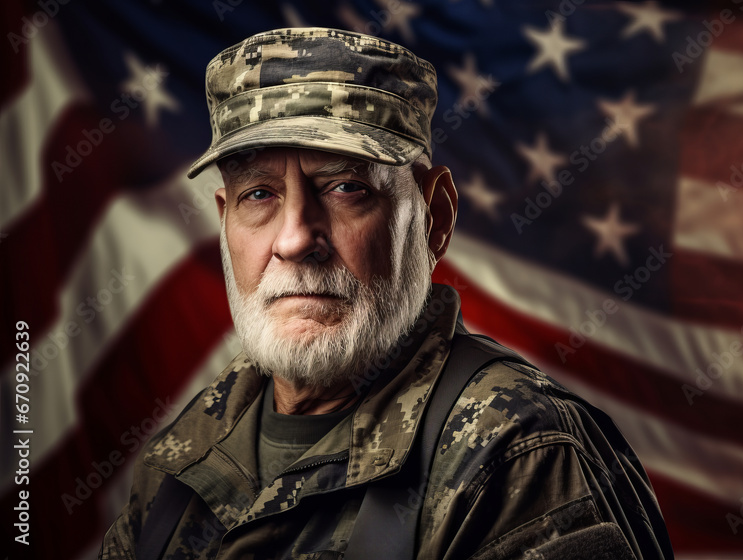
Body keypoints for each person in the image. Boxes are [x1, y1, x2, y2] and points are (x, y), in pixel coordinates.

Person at [100, 27, 672, 559]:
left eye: (347, 187)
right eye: (259, 195)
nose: (296, 238)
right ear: (225, 221)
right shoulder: (183, 456)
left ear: (434, 217)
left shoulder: (516, 452)